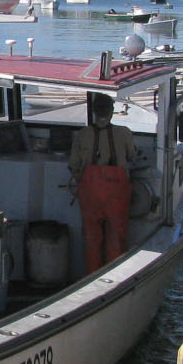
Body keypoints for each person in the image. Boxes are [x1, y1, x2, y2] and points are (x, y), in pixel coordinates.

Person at [68, 93, 138, 274]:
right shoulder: (124, 133)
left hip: (90, 193)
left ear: (94, 112)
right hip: (116, 192)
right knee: (116, 236)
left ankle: (92, 278)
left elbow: (73, 165)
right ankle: (113, 278)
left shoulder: (82, 135)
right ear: (112, 112)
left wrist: (81, 181)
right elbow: (132, 156)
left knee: (92, 239)